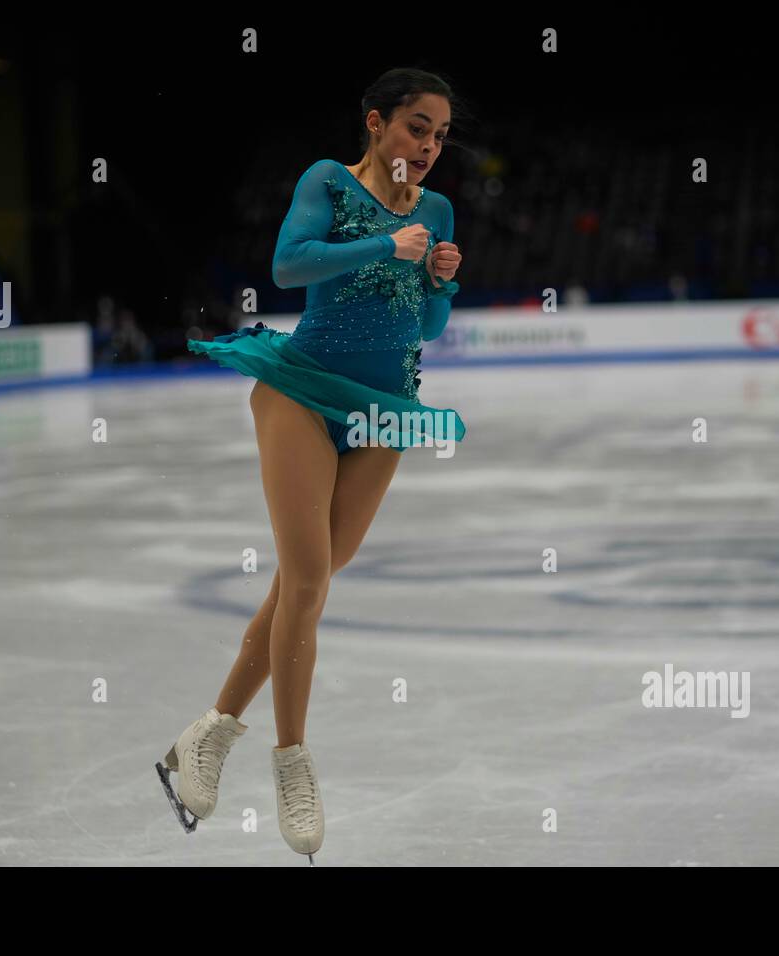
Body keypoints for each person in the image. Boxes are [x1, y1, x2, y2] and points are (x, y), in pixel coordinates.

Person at [163, 67, 466, 862]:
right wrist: (383, 243)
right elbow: (288, 267)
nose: (429, 146)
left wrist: (440, 281)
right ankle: (290, 761)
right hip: (302, 391)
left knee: (310, 579)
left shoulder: (436, 210)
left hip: (382, 410)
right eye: (415, 128)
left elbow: (425, 324)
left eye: (439, 134)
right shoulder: (328, 182)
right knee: (306, 579)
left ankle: (206, 736)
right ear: (376, 124)